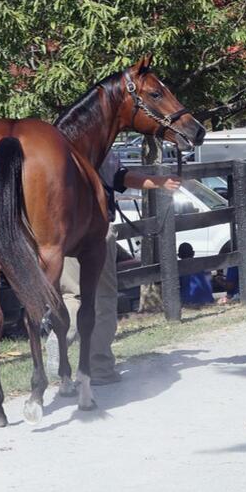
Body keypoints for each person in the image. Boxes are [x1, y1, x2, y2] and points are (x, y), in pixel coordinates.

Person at [47, 152, 180, 385]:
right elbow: (123, 177)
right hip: (96, 232)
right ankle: (99, 368)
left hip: (63, 233)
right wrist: (160, 182)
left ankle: (59, 339)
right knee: (102, 297)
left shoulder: (55, 149)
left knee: (72, 295)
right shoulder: (97, 149)